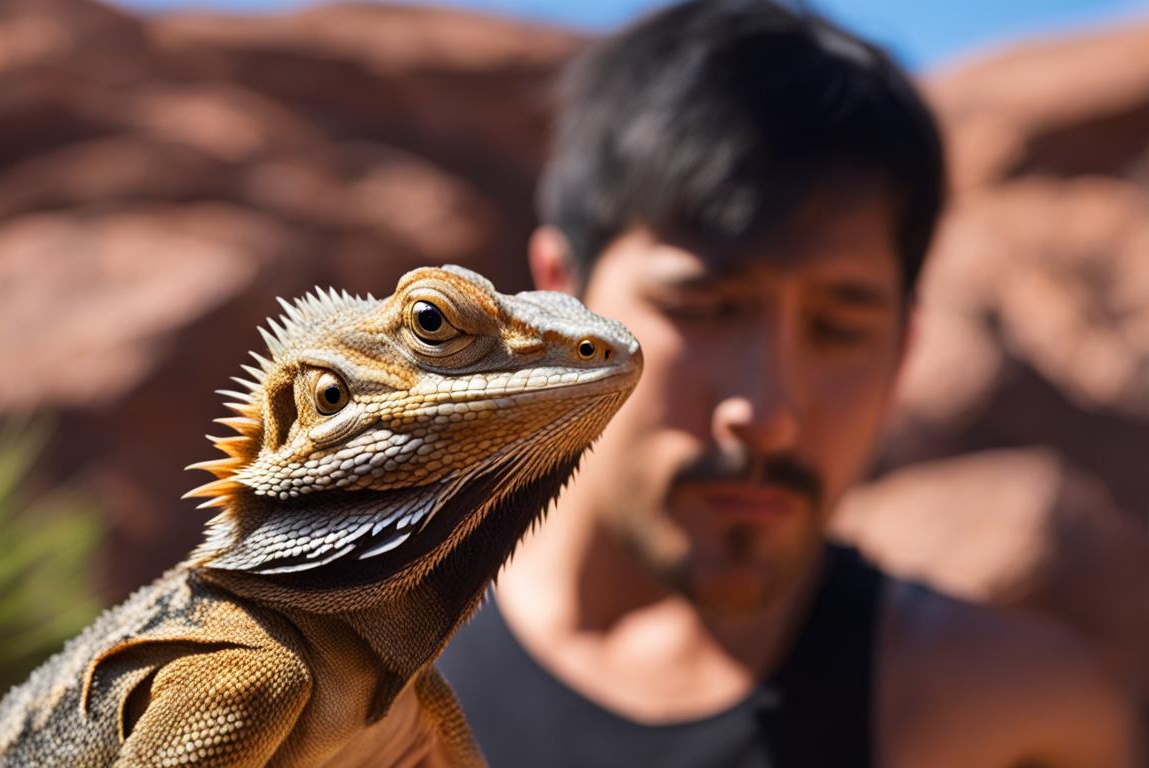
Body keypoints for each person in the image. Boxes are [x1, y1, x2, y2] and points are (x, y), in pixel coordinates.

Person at [436, 1, 1137, 766]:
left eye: (839, 329)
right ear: (557, 299)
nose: (766, 413)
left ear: (903, 351)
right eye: (705, 309)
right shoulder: (348, 678)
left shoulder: (1008, 725)